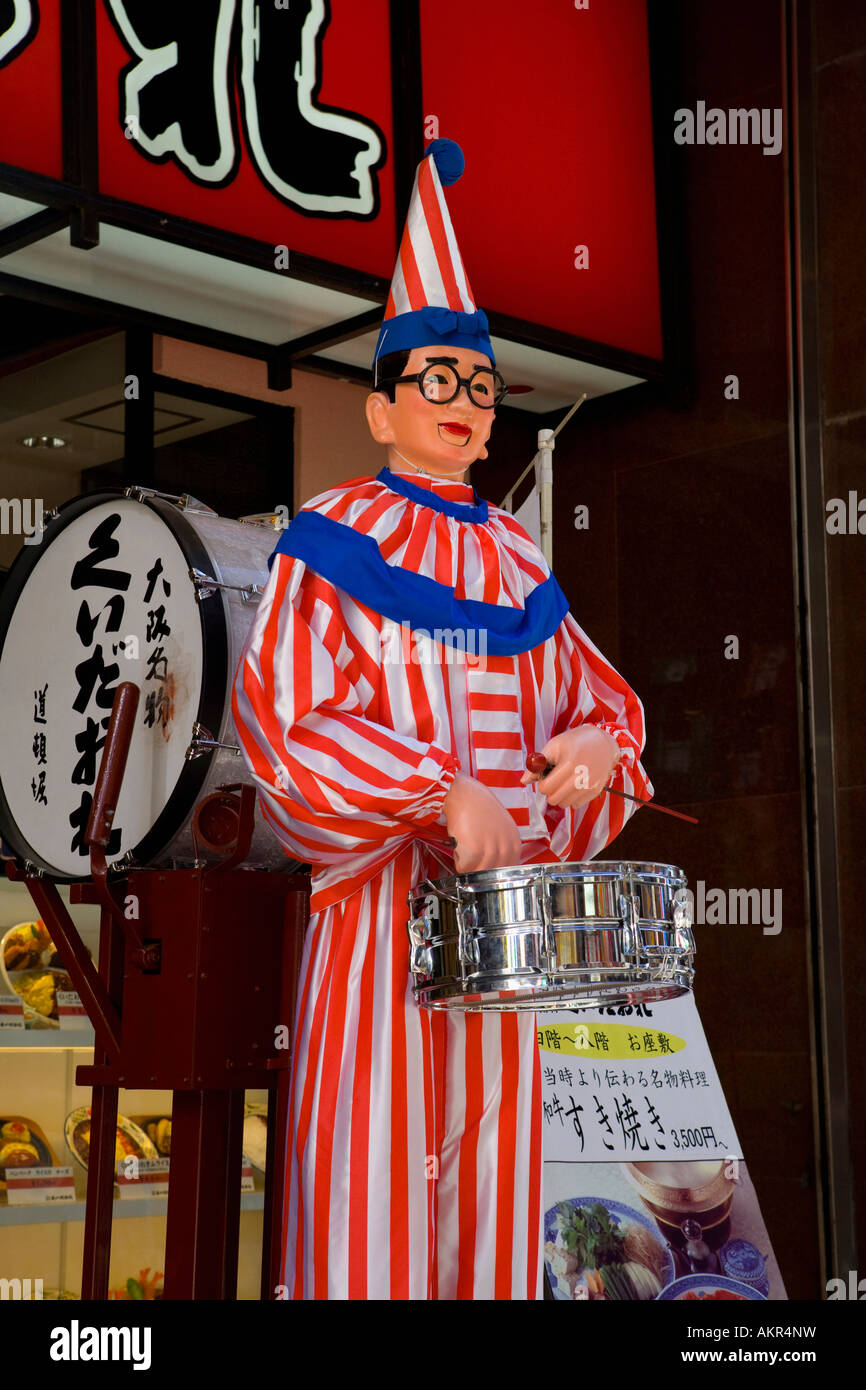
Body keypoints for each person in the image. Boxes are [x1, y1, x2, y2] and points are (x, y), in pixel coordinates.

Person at [231, 140, 652, 1300]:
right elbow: (284, 715)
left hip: (514, 938)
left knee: (506, 1188)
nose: (465, 407)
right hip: (380, 918)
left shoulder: (518, 553)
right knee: (374, 1182)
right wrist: (433, 787)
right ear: (380, 406)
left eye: (479, 387)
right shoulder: (331, 534)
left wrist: (591, 749)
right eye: (438, 383)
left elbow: (598, 699)